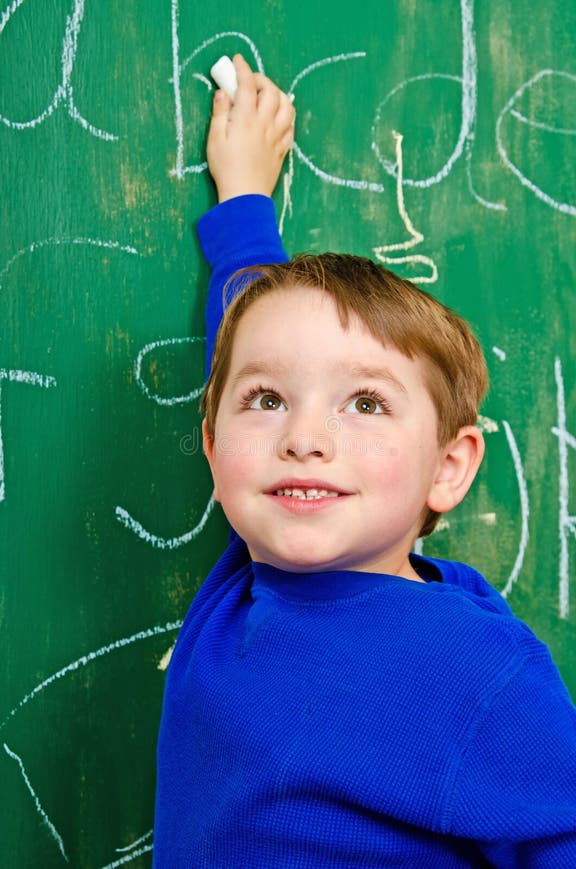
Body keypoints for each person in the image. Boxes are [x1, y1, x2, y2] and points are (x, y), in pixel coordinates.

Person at [153, 56, 576, 867]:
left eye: (367, 403)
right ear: (213, 444)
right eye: (270, 403)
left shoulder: (478, 668)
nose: (304, 436)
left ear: (449, 467)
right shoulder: (247, 580)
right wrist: (243, 203)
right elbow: (248, 346)